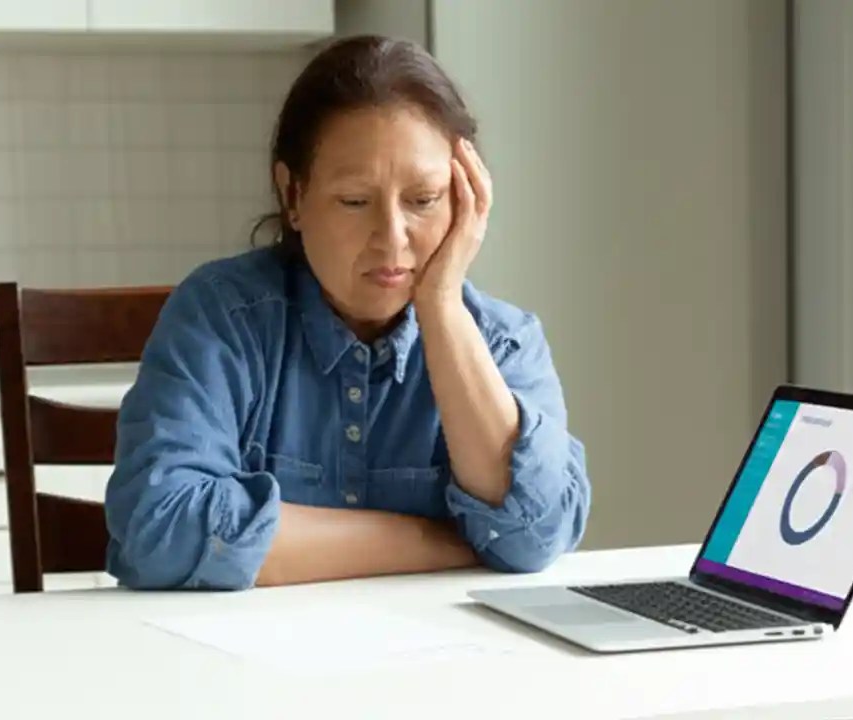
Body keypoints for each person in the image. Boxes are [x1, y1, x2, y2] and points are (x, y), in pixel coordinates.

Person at [104, 35, 592, 590]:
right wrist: (430, 540)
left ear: (465, 197)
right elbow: (161, 527)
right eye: (355, 201)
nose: (392, 239)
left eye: (424, 200)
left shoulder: (504, 343)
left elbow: (536, 534)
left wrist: (440, 307)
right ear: (293, 195)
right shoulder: (224, 317)